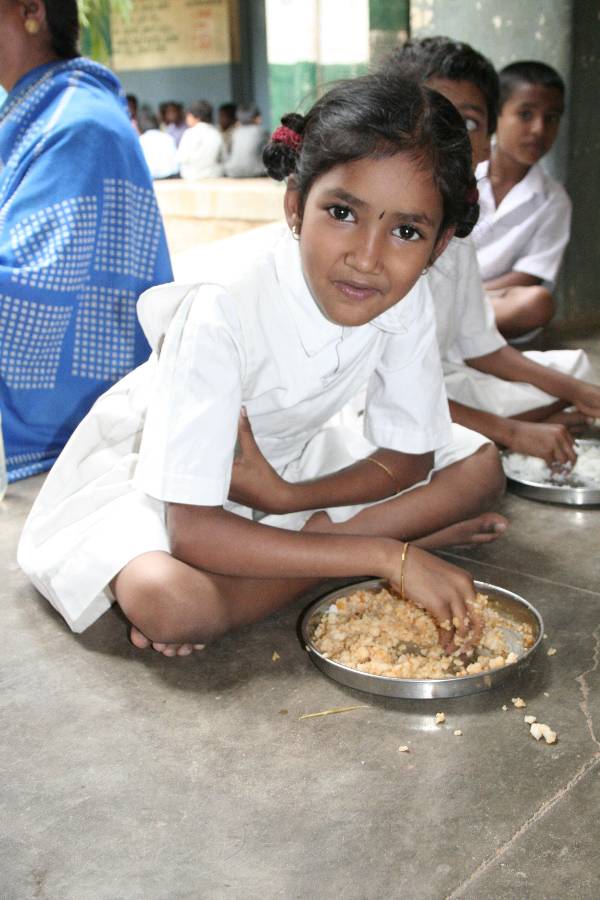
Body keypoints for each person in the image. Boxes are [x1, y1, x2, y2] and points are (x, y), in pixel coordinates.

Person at [19, 73, 507, 658]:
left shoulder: (406, 298)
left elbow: (409, 455)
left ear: (440, 246)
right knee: (171, 602)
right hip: (161, 473)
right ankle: (362, 547)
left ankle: (321, 547)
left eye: (406, 230)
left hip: (286, 465)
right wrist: (386, 552)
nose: (367, 258)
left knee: (482, 468)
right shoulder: (221, 307)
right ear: (296, 205)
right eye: (343, 212)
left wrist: (284, 500)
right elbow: (194, 531)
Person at [380, 38, 600, 466]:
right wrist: (512, 431)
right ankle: (504, 432)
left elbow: (483, 349)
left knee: (575, 370)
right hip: (373, 406)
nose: (446, 136)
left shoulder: (457, 233)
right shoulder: (377, 232)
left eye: (466, 123)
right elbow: (379, 392)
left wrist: (578, 391)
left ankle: (524, 421)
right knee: (476, 471)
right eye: (430, 114)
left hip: (442, 377)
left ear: (485, 143)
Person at [0, 0, 173, 482]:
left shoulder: (77, 124)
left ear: (31, 10)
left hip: (74, 445)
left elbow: (42, 287)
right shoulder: (49, 113)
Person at [472, 61, 570, 340]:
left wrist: (466, 296)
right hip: (436, 291)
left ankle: (453, 328)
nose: (539, 129)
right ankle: (458, 332)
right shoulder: (463, 172)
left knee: (537, 303)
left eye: (551, 118)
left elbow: (528, 277)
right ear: (495, 116)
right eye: (525, 114)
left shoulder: (554, 200)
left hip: (487, 301)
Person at [177, 100, 224, 180]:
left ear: (197, 117)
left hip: (191, 175)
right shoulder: (216, 133)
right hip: (213, 174)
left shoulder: (190, 133)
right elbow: (223, 157)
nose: (187, 119)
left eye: (188, 115)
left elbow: (181, 158)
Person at [224, 104, 268, 178]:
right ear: (256, 118)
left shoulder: (235, 132)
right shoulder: (261, 131)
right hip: (255, 172)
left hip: (233, 172)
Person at [138, 107, 179, 179]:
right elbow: (176, 165)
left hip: (150, 180)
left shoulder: (140, 141)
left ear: (139, 127)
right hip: (171, 179)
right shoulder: (169, 138)